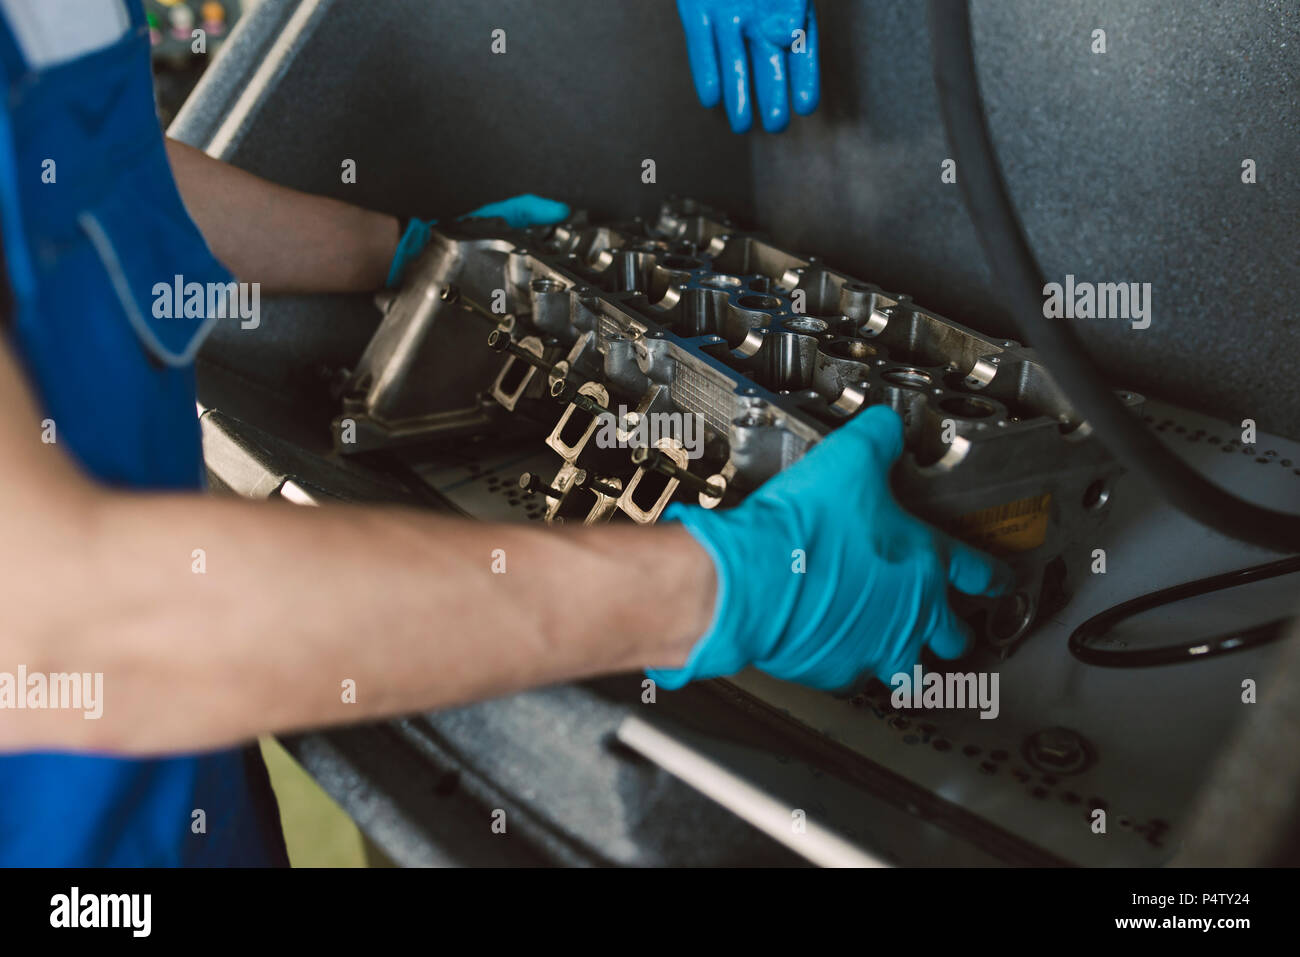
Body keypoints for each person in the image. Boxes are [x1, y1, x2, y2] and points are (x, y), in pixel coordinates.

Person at [0, 0, 1008, 866]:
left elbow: (95, 176)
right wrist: (720, 586)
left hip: (170, 789)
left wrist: (407, 257)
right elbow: (56, 623)